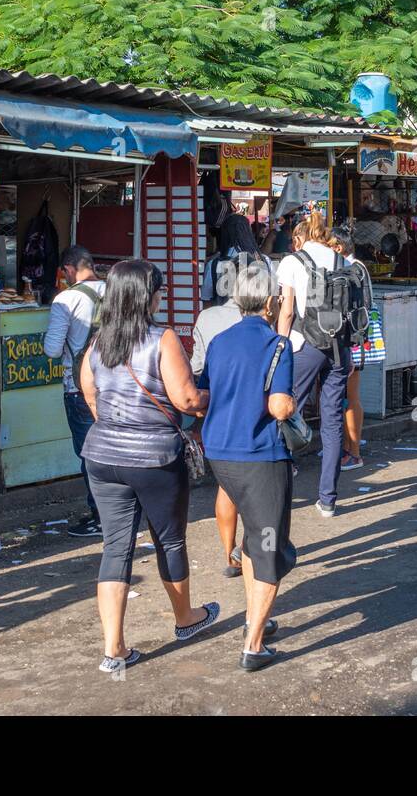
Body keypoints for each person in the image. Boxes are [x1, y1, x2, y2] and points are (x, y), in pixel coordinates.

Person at [79, 260, 219, 672]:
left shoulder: (98, 341)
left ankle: (114, 648)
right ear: (147, 295)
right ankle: (185, 618)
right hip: (155, 458)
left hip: (102, 456)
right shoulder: (163, 339)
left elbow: (90, 395)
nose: (162, 295)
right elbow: (187, 400)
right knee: (170, 541)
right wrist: (217, 394)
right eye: (159, 289)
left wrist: (115, 429)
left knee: (115, 548)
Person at [198, 263, 298, 671]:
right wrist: (289, 404)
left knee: (254, 540)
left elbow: (204, 392)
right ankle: (253, 644)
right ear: (272, 301)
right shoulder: (278, 346)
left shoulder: (219, 341)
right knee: (269, 547)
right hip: (260, 457)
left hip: (219, 453)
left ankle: (257, 617)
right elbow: (278, 406)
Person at [276, 211, 352, 518]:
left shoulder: (292, 262)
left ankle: (284, 473)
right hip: (339, 346)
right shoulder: (341, 260)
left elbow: (286, 311)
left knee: (286, 410)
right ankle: (328, 499)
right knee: (332, 421)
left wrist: (279, 348)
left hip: (303, 345)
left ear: (299, 238)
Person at [191, 251, 256, 579]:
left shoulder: (206, 318)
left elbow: (197, 365)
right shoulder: (260, 321)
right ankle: (253, 553)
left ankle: (229, 554)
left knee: (227, 486)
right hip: (254, 414)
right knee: (258, 490)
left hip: (217, 409)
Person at [43, 245, 106, 539]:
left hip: (79, 388)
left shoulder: (66, 299)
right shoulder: (116, 291)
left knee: (90, 455)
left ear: (68, 269)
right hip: (117, 386)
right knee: (113, 451)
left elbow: (52, 349)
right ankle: (119, 512)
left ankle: (100, 518)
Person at [330, 229, 371, 471]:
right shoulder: (348, 266)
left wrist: (356, 342)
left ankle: (354, 452)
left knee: (351, 397)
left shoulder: (355, 268)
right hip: (348, 337)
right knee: (344, 397)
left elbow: (362, 308)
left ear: (340, 246)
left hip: (353, 338)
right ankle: (345, 447)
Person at [203, 212, 272, 304]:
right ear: (248, 232)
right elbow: (272, 296)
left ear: (224, 234)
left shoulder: (214, 264)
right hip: (255, 316)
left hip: (225, 316)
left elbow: (206, 297)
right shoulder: (264, 261)